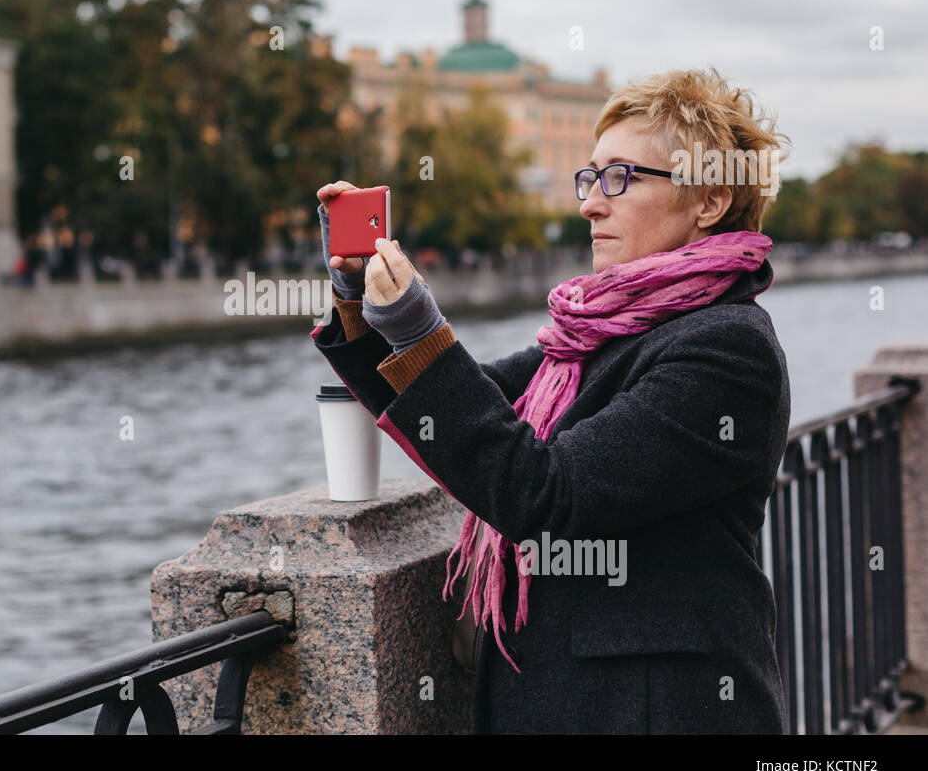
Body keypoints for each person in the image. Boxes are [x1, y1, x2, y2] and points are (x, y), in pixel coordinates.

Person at [311, 67, 792, 734]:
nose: (592, 203)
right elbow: (459, 409)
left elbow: (547, 497)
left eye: (621, 178)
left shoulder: (726, 349)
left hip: (661, 710)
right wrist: (359, 307)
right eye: (589, 178)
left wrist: (423, 331)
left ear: (708, 201)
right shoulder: (599, 337)